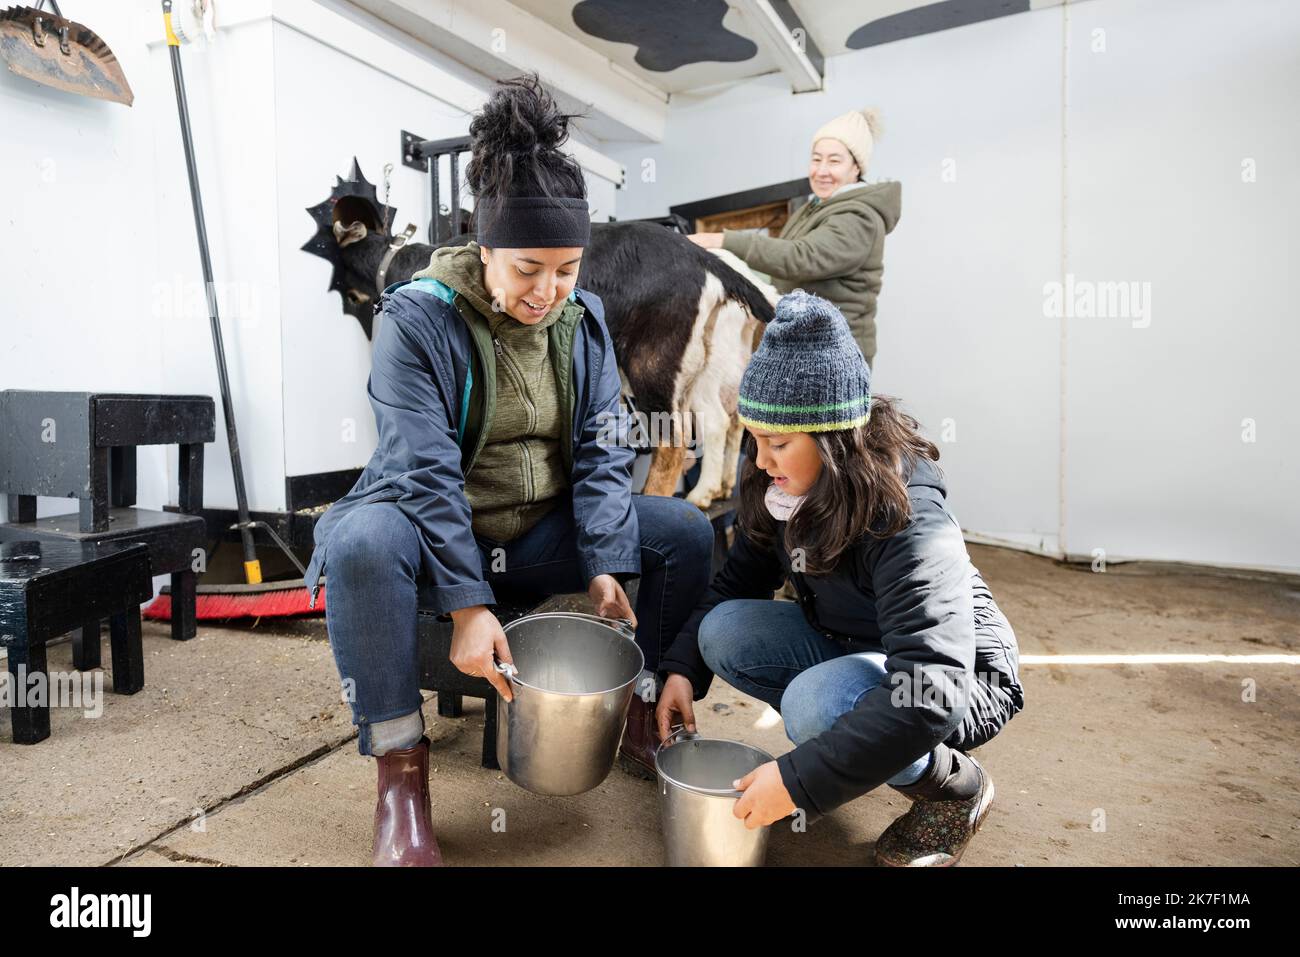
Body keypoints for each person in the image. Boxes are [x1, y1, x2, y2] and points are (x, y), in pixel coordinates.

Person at [303, 74, 715, 866]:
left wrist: (605, 564)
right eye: (529, 268)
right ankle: (400, 774)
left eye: (567, 270)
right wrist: (465, 604)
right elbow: (424, 472)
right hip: (424, 530)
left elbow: (602, 449)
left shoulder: (582, 319)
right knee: (358, 544)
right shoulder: (416, 319)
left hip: (533, 530)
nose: (548, 293)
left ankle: (635, 715)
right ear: (484, 246)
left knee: (684, 535)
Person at [654, 290, 1025, 866]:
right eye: (753, 438)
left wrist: (800, 781)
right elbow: (737, 581)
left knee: (816, 704)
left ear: (834, 443)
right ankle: (859, 737)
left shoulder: (910, 518)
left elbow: (932, 689)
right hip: (858, 642)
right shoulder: (780, 484)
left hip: (959, 675)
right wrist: (680, 669)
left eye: (777, 444)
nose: (759, 461)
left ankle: (954, 790)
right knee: (723, 631)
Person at [689, 107, 900, 368]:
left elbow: (803, 257)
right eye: (816, 159)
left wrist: (722, 240)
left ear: (856, 167)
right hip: (804, 345)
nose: (821, 170)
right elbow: (783, 273)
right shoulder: (814, 208)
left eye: (834, 161)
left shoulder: (859, 216)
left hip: (833, 355)